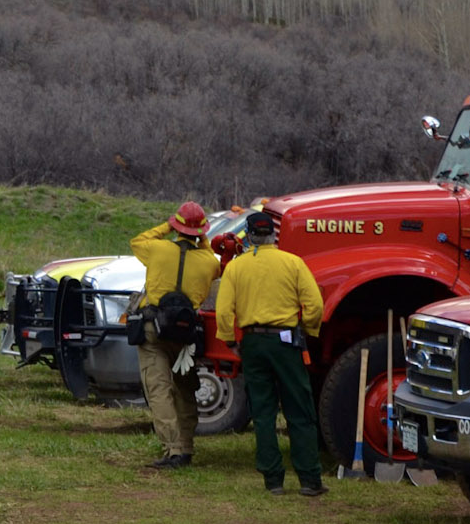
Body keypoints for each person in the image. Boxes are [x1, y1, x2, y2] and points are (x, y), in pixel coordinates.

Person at [216, 209, 327, 496]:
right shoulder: (293, 263)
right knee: (299, 410)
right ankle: (309, 479)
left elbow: (224, 309)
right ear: (274, 235)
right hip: (287, 342)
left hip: (253, 343)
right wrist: (309, 332)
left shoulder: (237, 268)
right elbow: (314, 305)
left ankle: (273, 480)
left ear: (250, 236)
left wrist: (230, 341)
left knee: (263, 412)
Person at [129, 200, 219, 468]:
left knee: (159, 390)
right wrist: (202, 239)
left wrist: (167, 226)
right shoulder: (208, 262)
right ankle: (187, 446)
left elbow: (137, 241)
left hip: (152, 330)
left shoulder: (157, 249)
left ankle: (173, 449)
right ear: (202, 232)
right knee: (184, 389)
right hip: (184, 335)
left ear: (176, 226)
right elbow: (213, 262)